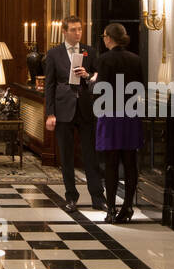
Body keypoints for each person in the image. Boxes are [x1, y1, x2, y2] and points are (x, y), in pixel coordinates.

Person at [43, 15, 106, 211]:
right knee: (67, 155)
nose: (78, 33)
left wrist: (88, 76)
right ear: (64, 31)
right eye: (73, 30)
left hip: (86, 108)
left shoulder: (90, 51)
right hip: (63, 109)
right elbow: (49, 85)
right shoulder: (54, 54)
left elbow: (99, 75)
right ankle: (71, 197)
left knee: (91, 155)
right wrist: (50, 114)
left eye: (80, 29)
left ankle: (98, 197)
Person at [91, 23, 145, 223]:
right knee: (131, 163)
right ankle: (128, 206)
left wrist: (92, 83)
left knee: (111, 163)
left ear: (109, 38)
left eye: (104, 36)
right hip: (131, 115)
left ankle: (111, 209)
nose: (103, 39)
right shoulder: (136, 60)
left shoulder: (104, 60)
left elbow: (102, 90)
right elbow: (141, 88)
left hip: (111, 115)